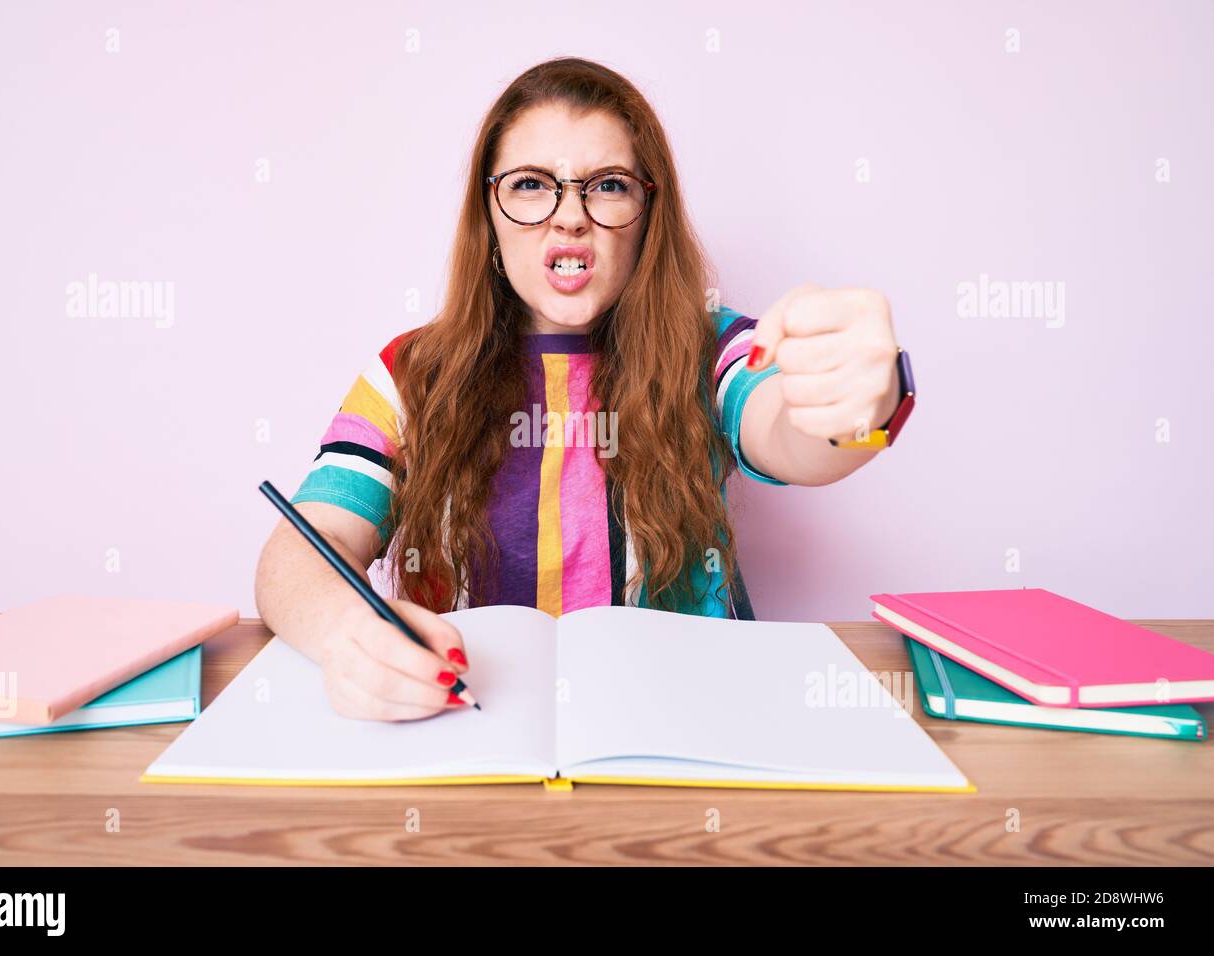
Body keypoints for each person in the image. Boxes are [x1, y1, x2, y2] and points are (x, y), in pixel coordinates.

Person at [255, 57, 910, 722]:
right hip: (463, 735)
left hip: (693, 732)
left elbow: (791, 435)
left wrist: (855, 404)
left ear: (648, 214)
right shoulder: (409, 372)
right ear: (490, 213)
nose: (570, 217)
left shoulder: (712, 349)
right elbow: (304, 548)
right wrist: (347, 636)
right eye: (533, 184)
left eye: (608, 186)